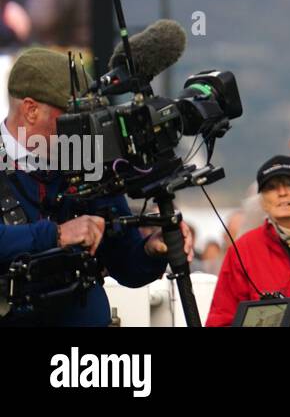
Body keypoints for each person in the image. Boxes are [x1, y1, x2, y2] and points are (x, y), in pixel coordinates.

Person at [0, 47, 192, 326]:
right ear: (31, 110)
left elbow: (126, 266)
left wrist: (151, 248)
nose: (86, 128)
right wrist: (55, 235)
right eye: (73, 116)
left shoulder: (88, 163)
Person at [207, 156, 290, 327]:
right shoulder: (243, 250)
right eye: (271, 187)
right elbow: (221, 319)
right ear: (262, 203)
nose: (281, 192)